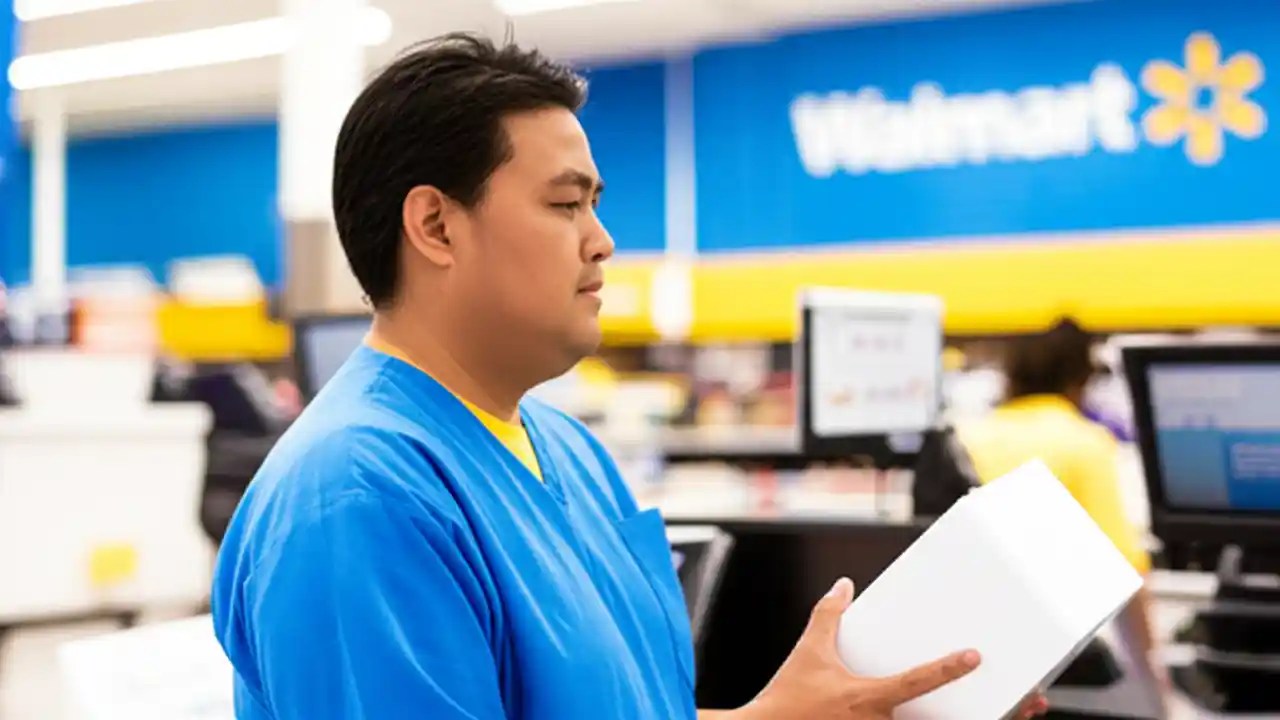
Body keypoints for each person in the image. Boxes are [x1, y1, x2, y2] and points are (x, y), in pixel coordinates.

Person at [211, 34, 1048, 720]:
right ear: (435, 224)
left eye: (595, 204)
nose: (602, 240)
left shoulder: (568, 451)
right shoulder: (359, 496)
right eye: (565, 204)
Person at [959, 319, 1168, 706]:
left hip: (974, 652)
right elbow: (1125, 569)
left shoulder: (968, 435)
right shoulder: (1082, 441)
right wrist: (1155, 684)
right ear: (1080, 376)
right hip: (1054, 654)